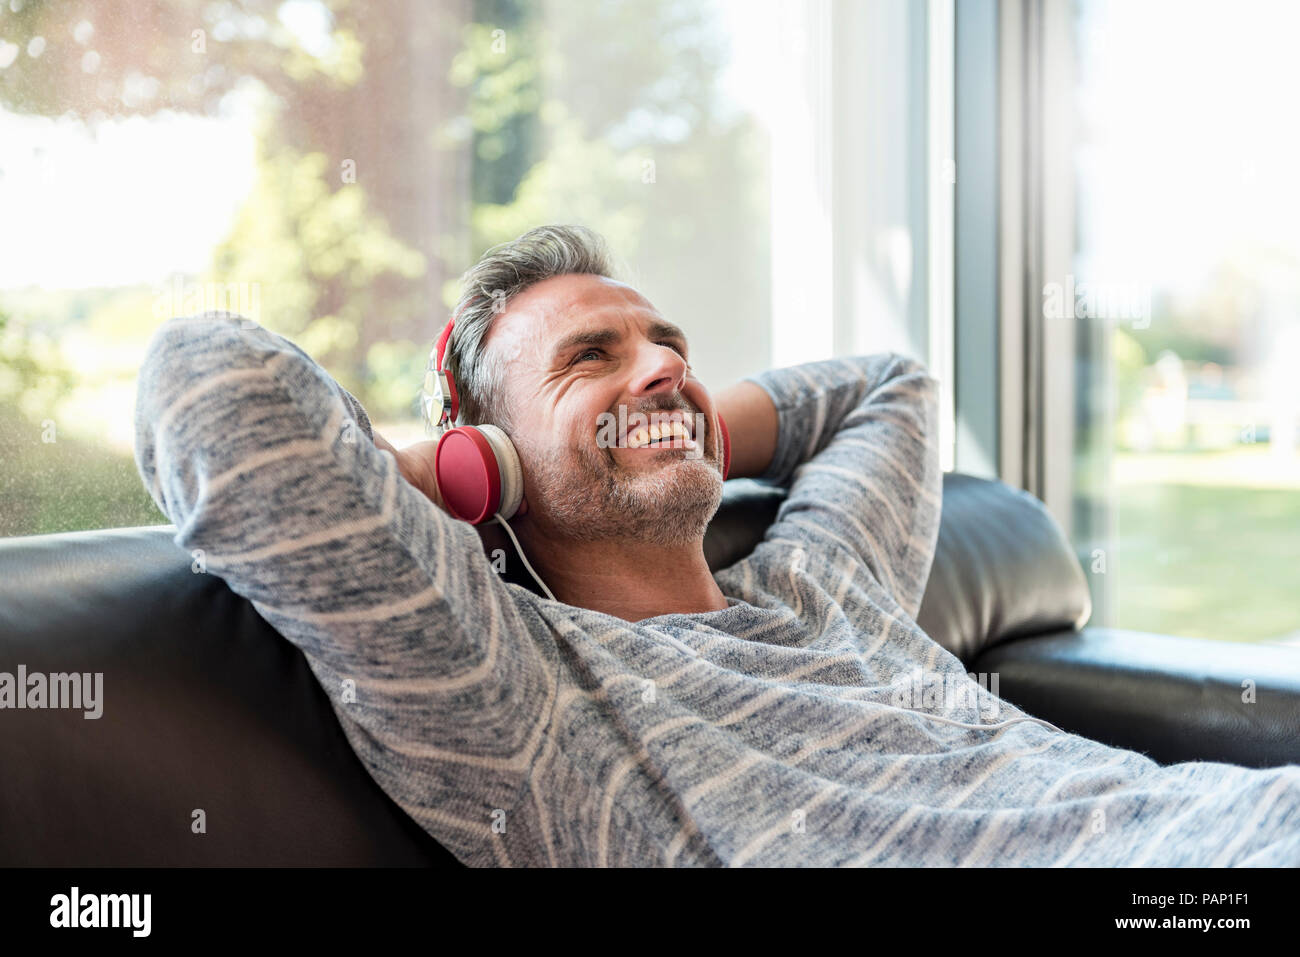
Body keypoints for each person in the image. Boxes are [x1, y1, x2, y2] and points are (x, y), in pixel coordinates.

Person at [133, 224, 1300, 867]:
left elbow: (887, 389)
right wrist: (468, 474)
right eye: (588, 355)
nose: (660, 362)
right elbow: (211, 392)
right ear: (482, 448)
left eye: (669, 343)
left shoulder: (820, 589)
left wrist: (661, 415)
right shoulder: (521, 695)